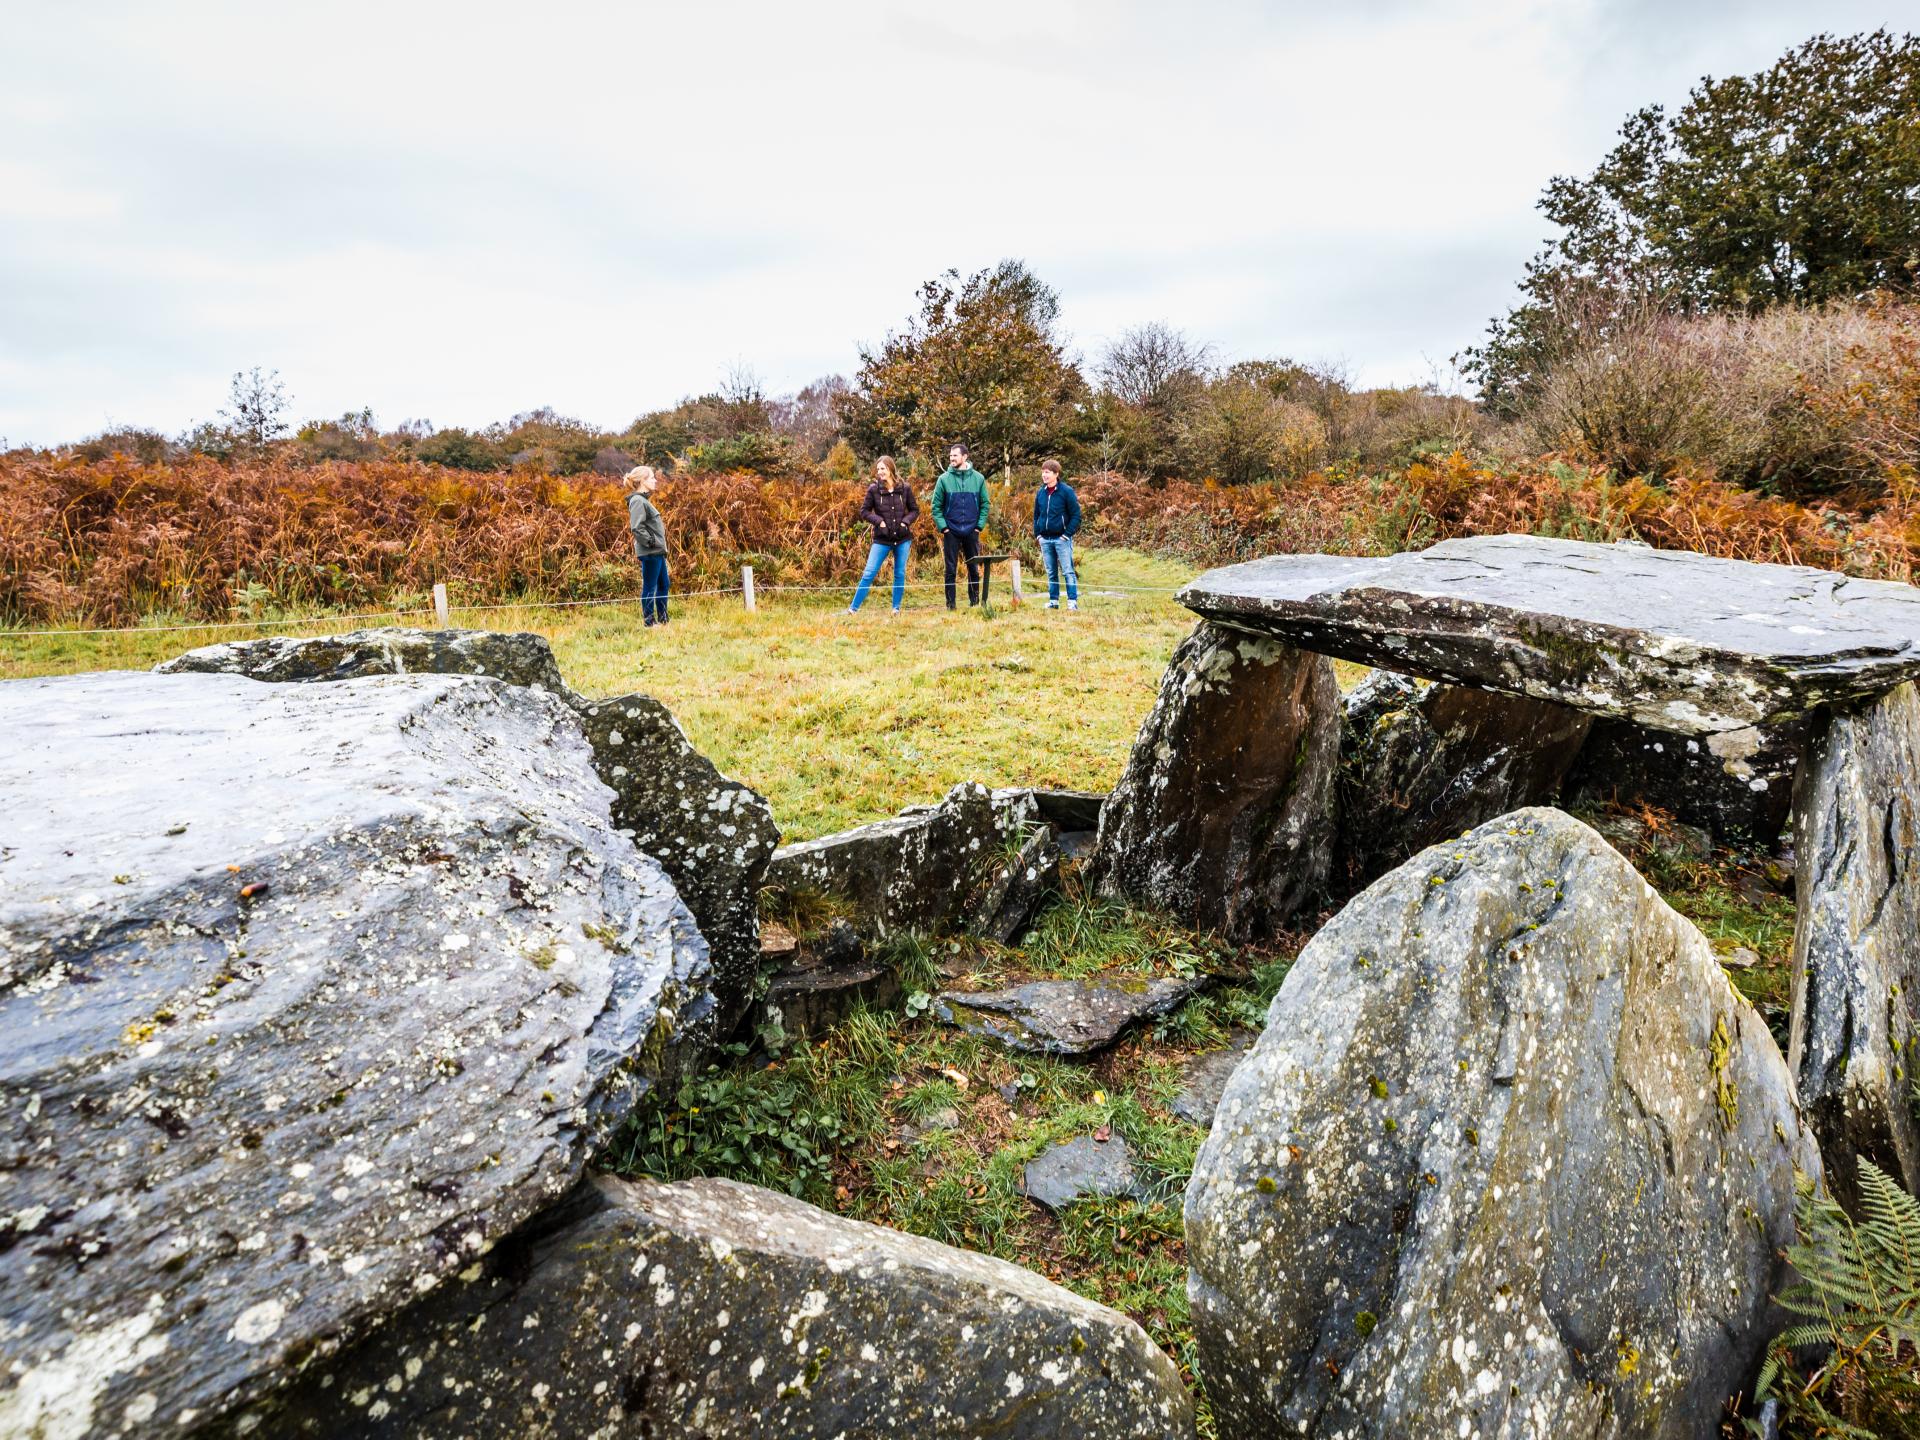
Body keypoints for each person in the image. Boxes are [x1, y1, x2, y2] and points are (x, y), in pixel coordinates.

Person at [849, 455, 917, 615]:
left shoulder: (905, 488)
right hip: (882, 538)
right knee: (869, 573)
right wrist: (879, 521)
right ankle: (853, 609)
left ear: (891, 469)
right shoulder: (873, 489)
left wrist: (905, 522)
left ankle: (896, 608)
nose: (880, 472)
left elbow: (915, 510)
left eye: (883, 469)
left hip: (902, 538)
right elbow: (864, 511)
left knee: (899, 573)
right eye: (878, 469)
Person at [931, 442, 990, 609]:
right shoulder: (943, 479)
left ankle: (975, 603)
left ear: (965, 457)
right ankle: (951, 605)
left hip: (972, 530)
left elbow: (985, 504)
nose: (951, 458)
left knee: (973, 568)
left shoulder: (979, 478)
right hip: (951, 531)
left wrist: (979, 526)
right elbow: (935, 507)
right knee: (950, 569)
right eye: (950, 456)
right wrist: (944, 528)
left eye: (955, 455)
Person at [1031, 458, 1081, 611]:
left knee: (1067, 571)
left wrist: (1066, 535)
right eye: (1043, 472)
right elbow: (1036, 515)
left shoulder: (1066, 492)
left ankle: (1072, 602)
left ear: (1056, 474)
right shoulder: (1041, 492)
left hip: (1062, 539)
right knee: (1051, 572)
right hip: (1045, 539)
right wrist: (1038, 535)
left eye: (1047, 473)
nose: (1044, 475)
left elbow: (1076, 516)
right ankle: (1054, 601)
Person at [624, 465, 670, 626]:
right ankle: (649, 622)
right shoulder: (637, 500)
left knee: (664, 584)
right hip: (650, 551)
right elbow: (637, 527)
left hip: (657, 551)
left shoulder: (643, 500)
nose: (655, 480)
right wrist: (651, 542)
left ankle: (664, 620)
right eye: (651, 477)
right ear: (642, 481)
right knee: (650, 586)